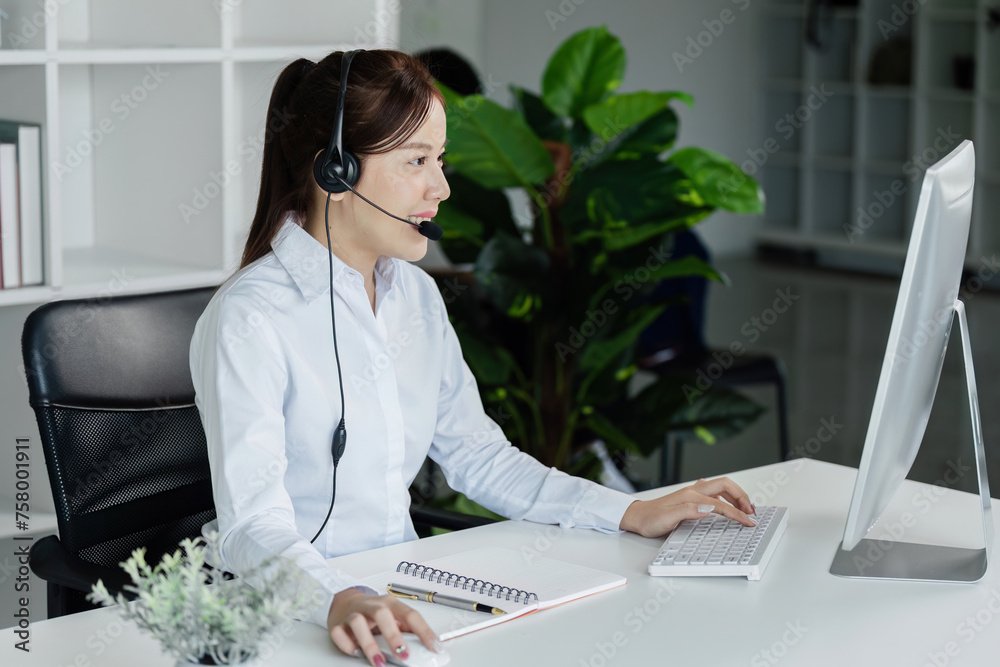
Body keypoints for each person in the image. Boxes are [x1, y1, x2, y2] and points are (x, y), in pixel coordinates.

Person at [189, 49, 758, 667]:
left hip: (395, 599)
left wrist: (629, 510)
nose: (443, 187)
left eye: (441, 159)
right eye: (416, 162)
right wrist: (339, 596)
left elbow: (479, 457)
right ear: (337, 170)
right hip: (288, 614)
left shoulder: (414, 295)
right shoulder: (251, 318)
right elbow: (251, 524)